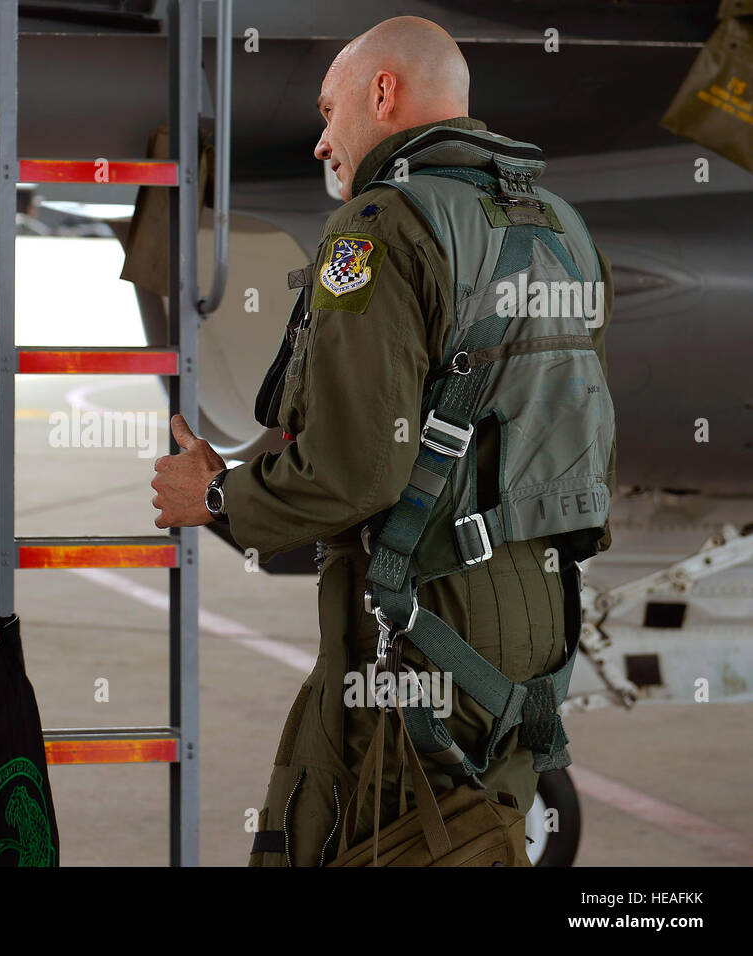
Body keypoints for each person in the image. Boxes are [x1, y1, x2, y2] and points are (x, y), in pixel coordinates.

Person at [151, 15, 616, 866]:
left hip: (427, 618)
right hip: (533, 628)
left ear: (383, 91)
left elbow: (356, 470)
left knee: (356, 837)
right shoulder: (561, 226)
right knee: (476, 837)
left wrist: (215, 496)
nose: (324, 140)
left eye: (331, 111)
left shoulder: (379, 228)